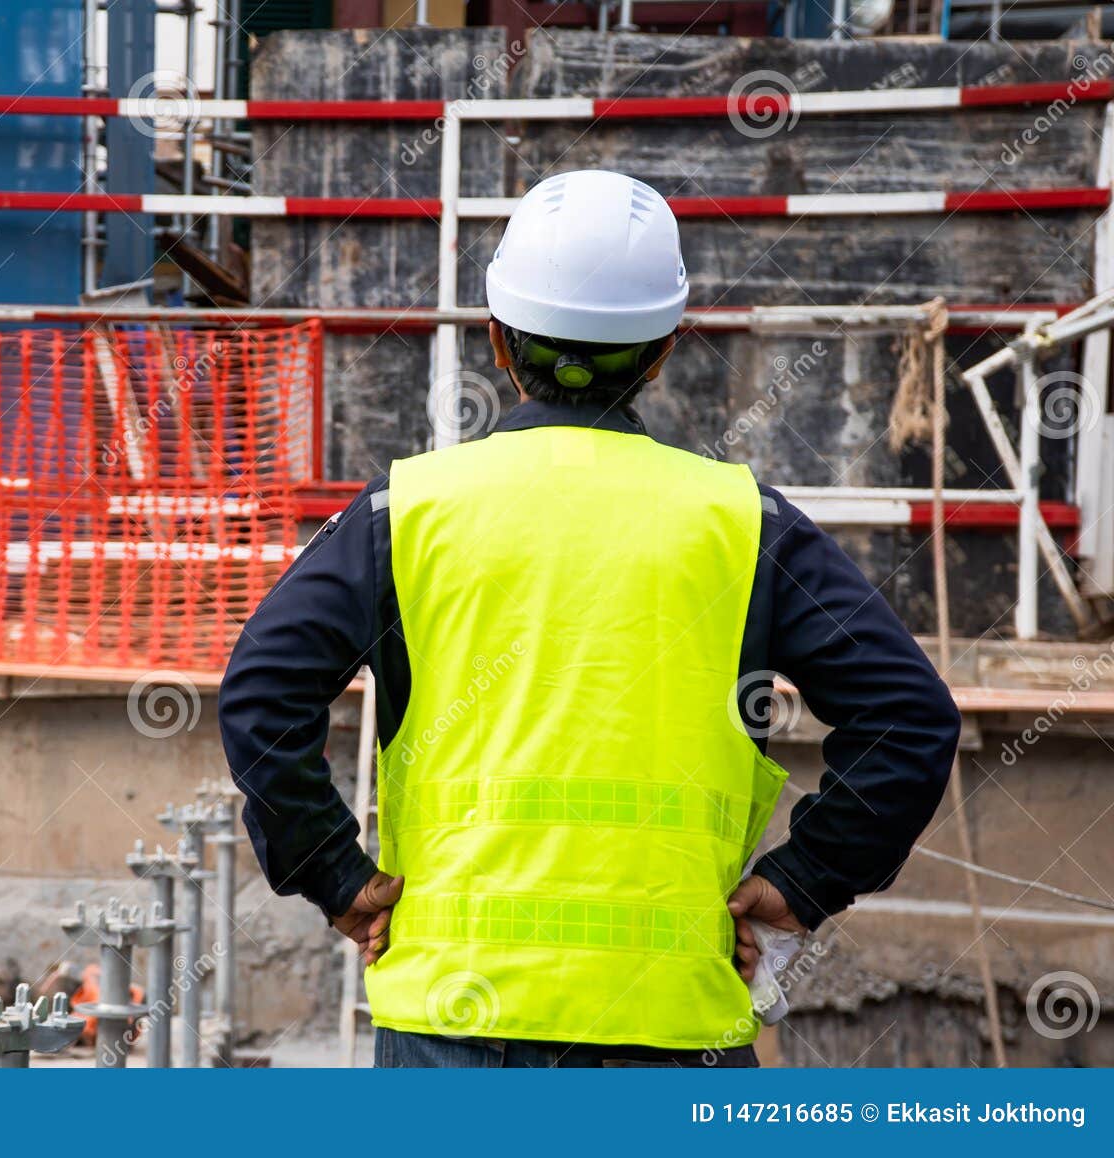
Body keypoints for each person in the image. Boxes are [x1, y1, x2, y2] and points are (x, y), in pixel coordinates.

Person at [218, 169, 959, 1068]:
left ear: (496, 339)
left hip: (453, 1035)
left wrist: (334, 875)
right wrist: (804, 881)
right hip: (672, 1034)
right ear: (663, 350)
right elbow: (909, 718)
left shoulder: (408, 512)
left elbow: (262, 690)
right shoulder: (745, 523)